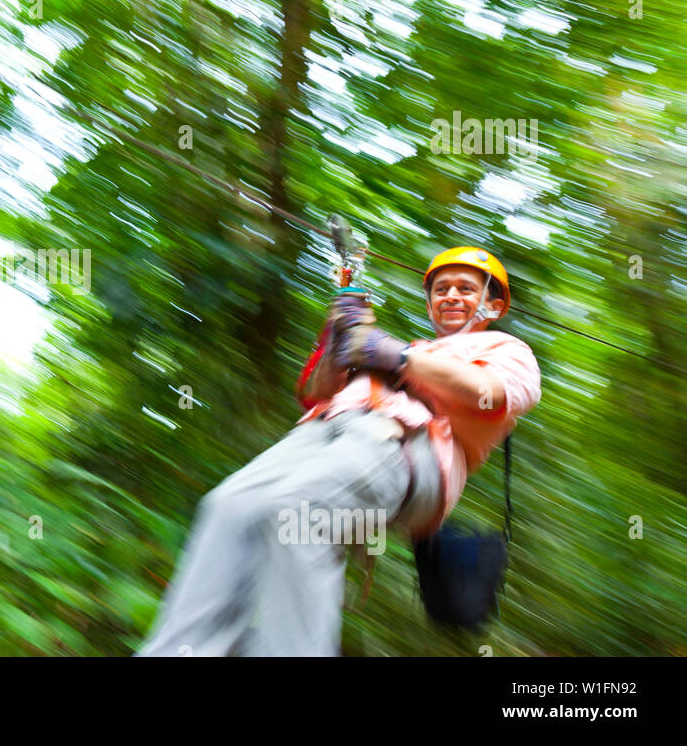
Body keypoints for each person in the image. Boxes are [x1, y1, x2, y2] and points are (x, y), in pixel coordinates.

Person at [134, 247, 542, 656]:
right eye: (442, 289)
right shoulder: (415, 348)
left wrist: (395, 356)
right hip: (325, 433)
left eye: (466, 289)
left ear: (493, 304)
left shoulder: (507, 352)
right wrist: (338, 339)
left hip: (403, 447)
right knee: (229, 506)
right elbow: (316, 394)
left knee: (297, 513)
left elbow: (488, 394)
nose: (451, 296)